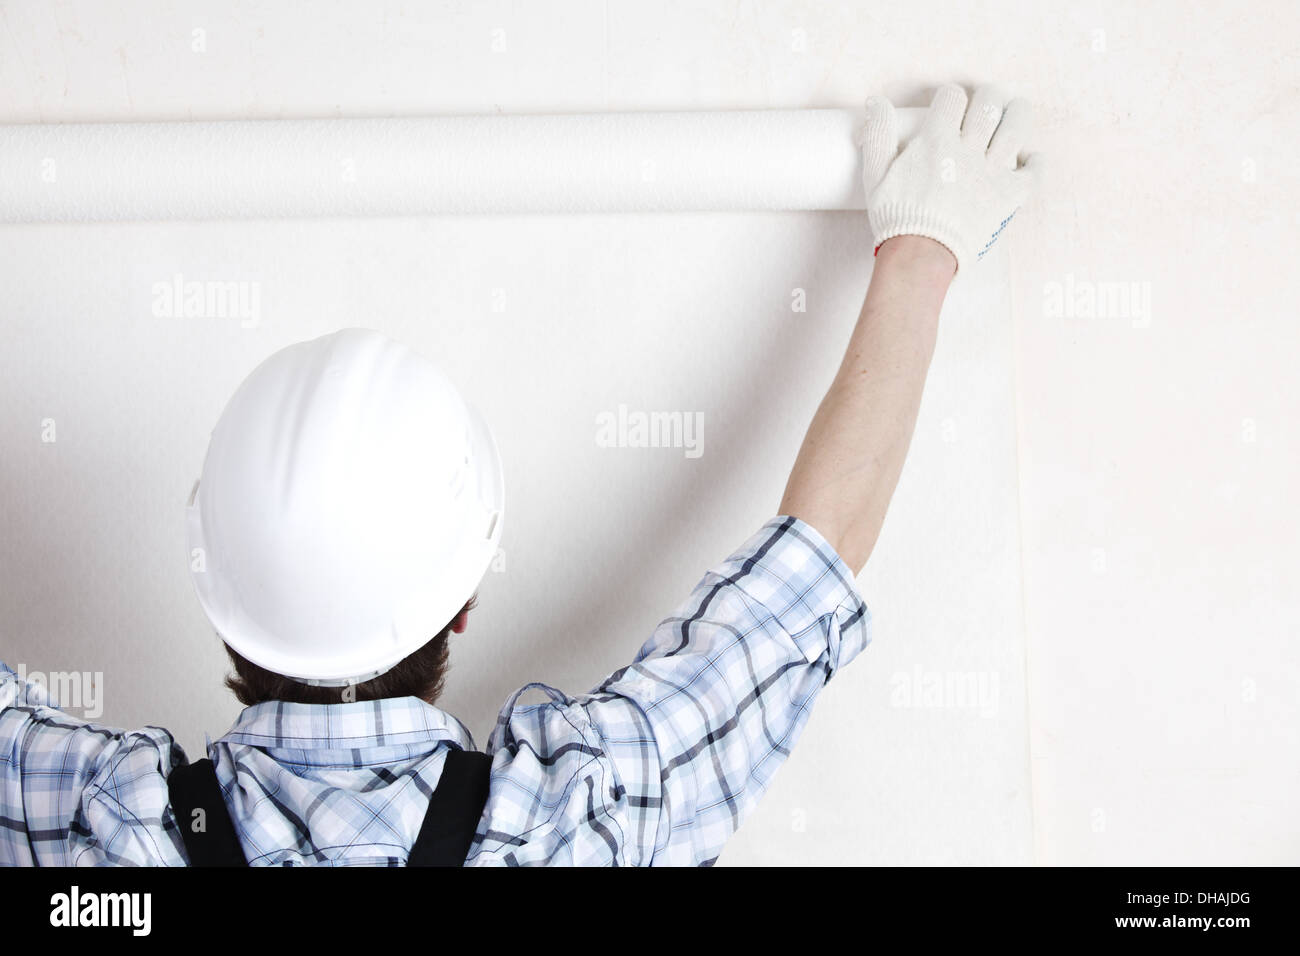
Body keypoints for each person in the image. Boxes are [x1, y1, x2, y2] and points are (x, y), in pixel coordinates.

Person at [0, 83, 1039, 866]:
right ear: (461, 600)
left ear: (219, 596)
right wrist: (921, 248)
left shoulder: (101, 827)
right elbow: (800, 576)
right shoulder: (570, 819)